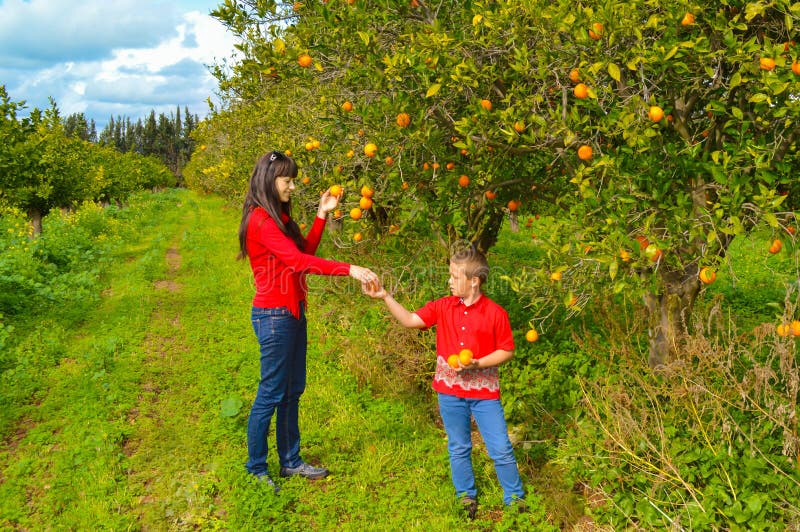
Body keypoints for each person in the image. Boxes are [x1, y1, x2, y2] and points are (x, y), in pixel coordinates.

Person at [238, 150, 378, 491]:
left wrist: (320, 216)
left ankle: (290, 461)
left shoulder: (281, 220)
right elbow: (298, 263)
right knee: (270, 393)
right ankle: (256, 468)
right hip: (274, 316)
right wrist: (348, 269)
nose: (292, 187)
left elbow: (304, 254)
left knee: (291, 391)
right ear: (269, 180)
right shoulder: (260, 221)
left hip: (293, 313)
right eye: (287, 180)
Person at [362, 246, 525, 519]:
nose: (449, 281)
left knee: (500, 447)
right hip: (450, 393)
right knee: (459, 446)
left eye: (454, 276)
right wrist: (385, 296)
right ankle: (465, 496)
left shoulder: (495, 313)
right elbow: (411, 320)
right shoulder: (443, 306)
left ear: (474, 280)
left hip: (484, 393)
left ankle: (515, 499)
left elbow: (506, 350)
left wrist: (478, 363)